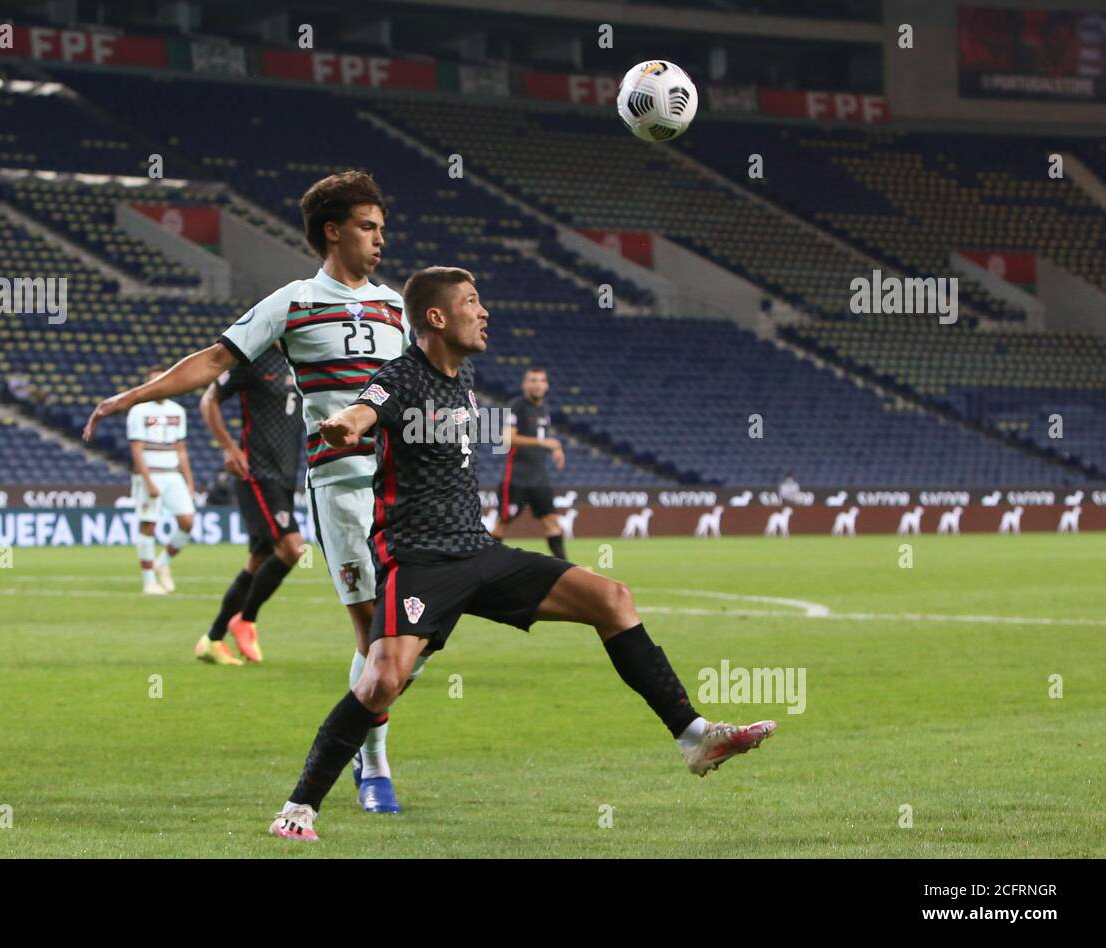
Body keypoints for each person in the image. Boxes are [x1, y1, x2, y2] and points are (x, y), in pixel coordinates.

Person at [268, 267, 775, 842]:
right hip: (420, 563)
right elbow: (364, 409)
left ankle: (694, 738)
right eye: (471, 302)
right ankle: (298, 810)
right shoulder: (400, 378)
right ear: (436, 318)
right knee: (382, 681)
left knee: (612, 598)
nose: (484, 312)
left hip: (479, 551)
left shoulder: (464, 375)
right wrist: (344, 425)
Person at [84, 170, 412, 814]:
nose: (380, 240)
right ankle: (372, 765)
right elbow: (213, 361)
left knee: (412, 644)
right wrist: (133, 396)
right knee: (375, 640)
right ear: (333, 231)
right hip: (340, 490)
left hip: (405, 492)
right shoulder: (292, 301)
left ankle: (364, 744)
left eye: (382, 228)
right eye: (369, 228)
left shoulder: (397, 305)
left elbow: (422, 386)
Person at [195, 345, 304, 665]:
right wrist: (229, 448)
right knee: (292, 548)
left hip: (285, 475)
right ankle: (246, 619)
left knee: (259, 559)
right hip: (256, 471)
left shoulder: (302, 358)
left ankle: (213, 639)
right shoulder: (252, 360)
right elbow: (208, 400)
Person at [125, 367, 195, 595]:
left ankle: (162, 562)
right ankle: (148, 582)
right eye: (154, 382)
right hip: (150, 473)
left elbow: (181, 449)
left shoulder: (178, 411)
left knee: (187, 522)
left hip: (173, 473)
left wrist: (189, 480)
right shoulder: (138, 411)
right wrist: (148, 481)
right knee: (149, 525)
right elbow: (136, 450)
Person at [491, 367, 567, 560]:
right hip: (516, 478)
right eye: (532, 380)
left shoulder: (544, 409)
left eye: (541, 380)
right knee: (503, 523)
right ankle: (483, 564)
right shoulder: (517, 405)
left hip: (539, 478)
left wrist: (555, 448)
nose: (537, 384)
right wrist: (543, 443)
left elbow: (544, 437)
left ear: (547, 385)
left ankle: (566, 569)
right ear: (525, 384)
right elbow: (507, 438)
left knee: (552, 522)